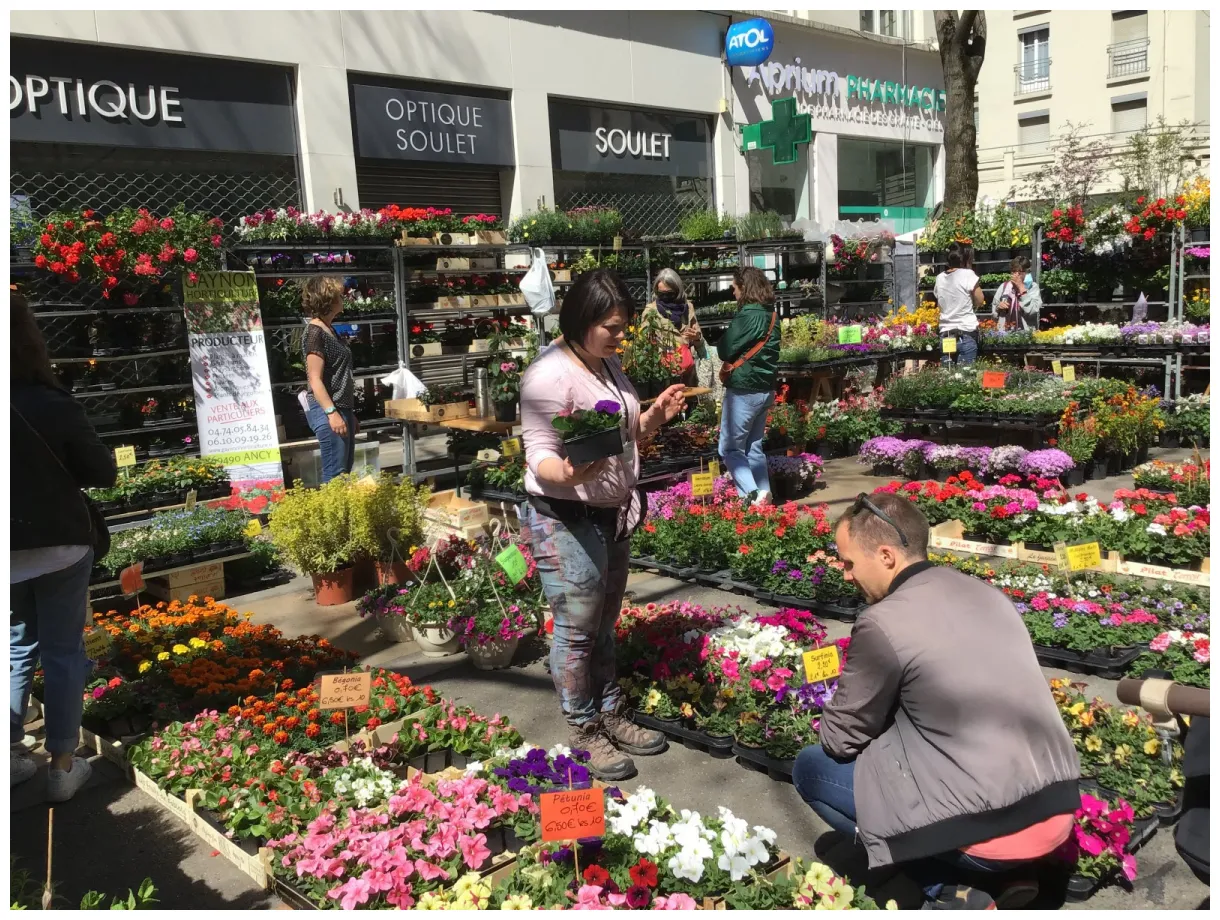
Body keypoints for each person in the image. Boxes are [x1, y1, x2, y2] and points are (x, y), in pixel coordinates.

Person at [792, 492, 1081, 909]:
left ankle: (949, 890)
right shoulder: (985, 594)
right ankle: (1017, 876)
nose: (845, 574)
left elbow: (840, 741)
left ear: (887, 556)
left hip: (986, 836)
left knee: (811, 768)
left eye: (849, 562)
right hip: (1054, 810)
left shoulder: (884, 621)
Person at [519, 269, 687, 780]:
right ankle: (583, 725)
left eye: (623, 326)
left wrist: (655, 413)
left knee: (605, 620)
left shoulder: (606, 363)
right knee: (576, 627)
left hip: (611, 510)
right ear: (581, 320)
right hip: (565, 515)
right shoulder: (549, 376)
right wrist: (568, 473)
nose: (620, 336)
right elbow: (539, 454)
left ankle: (610, 709)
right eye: (611, 327)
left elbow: (623, 430)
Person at [11, 292, 118, 800]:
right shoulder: (49, 402)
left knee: (15, 648)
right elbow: (103, 471)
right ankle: (61, 764)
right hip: (60, 544)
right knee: (61, 651)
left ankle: (10, 754)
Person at [716, 266, 780, 506]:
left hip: (744, 389)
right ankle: (764, 495)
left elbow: (725, 349)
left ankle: (754, 495)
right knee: (753, 447)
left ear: (744, 288)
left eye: (734, 288)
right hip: (766, 389)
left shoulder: (747, 315)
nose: (733, 293)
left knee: (730, 449)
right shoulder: (772, 314)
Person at [301, 275, 357, 483]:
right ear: (328, 299)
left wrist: (348, 414)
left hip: (341, 408)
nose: (343, 297)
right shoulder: (315, 332)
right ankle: (331, 516)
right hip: (328, 409)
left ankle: (342, 516)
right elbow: (314, 379)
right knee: (335, 476)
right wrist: (332, 413)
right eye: (339, 295)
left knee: (343, 474)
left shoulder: (328, 328)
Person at [639, 268, 703, 387]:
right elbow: (643, 343)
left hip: (688, 371)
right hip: (664, 374)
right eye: (661, 294)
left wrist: (696, 337)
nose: (665, 297)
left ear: (677, 290)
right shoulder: (651, 311)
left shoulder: (688, 307)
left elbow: (699, 339)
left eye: (669, 293)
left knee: (690, 403)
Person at [933, 242, 984, 366]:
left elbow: (940, 303)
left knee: (948, 376)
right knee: (966, 377)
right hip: (965, 332)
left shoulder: (939, 278)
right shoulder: (968, 275)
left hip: (946, 334)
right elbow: (980, 300)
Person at [990, 255, 1042, 332]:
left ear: (1026, 272)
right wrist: (998, 308)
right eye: (1014, 271)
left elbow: (1032, 311)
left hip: (1025, 334)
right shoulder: (1004, 287)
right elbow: (994, 312)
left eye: (1019, 272)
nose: (1016, 275)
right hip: (1004, 334)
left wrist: (1021, 288)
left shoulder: (1033, 287)